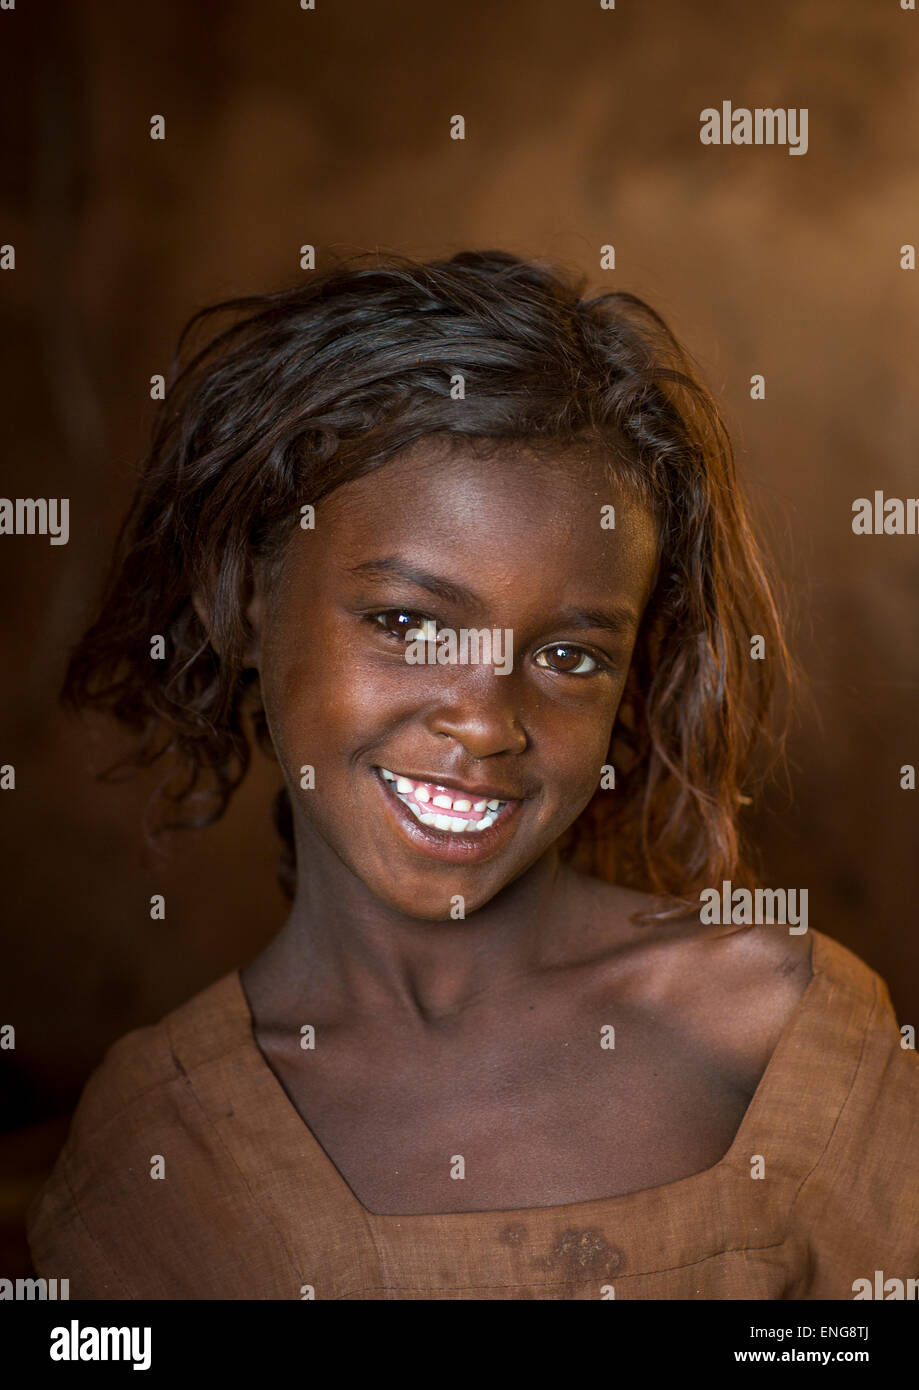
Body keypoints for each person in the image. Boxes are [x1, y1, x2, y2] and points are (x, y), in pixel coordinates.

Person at [26, 250, 919, 1299]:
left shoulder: (781, 1033)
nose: (487, 721)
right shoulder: (165, 1144)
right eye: (406, 624)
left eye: (568, 656)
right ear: (246, 604)